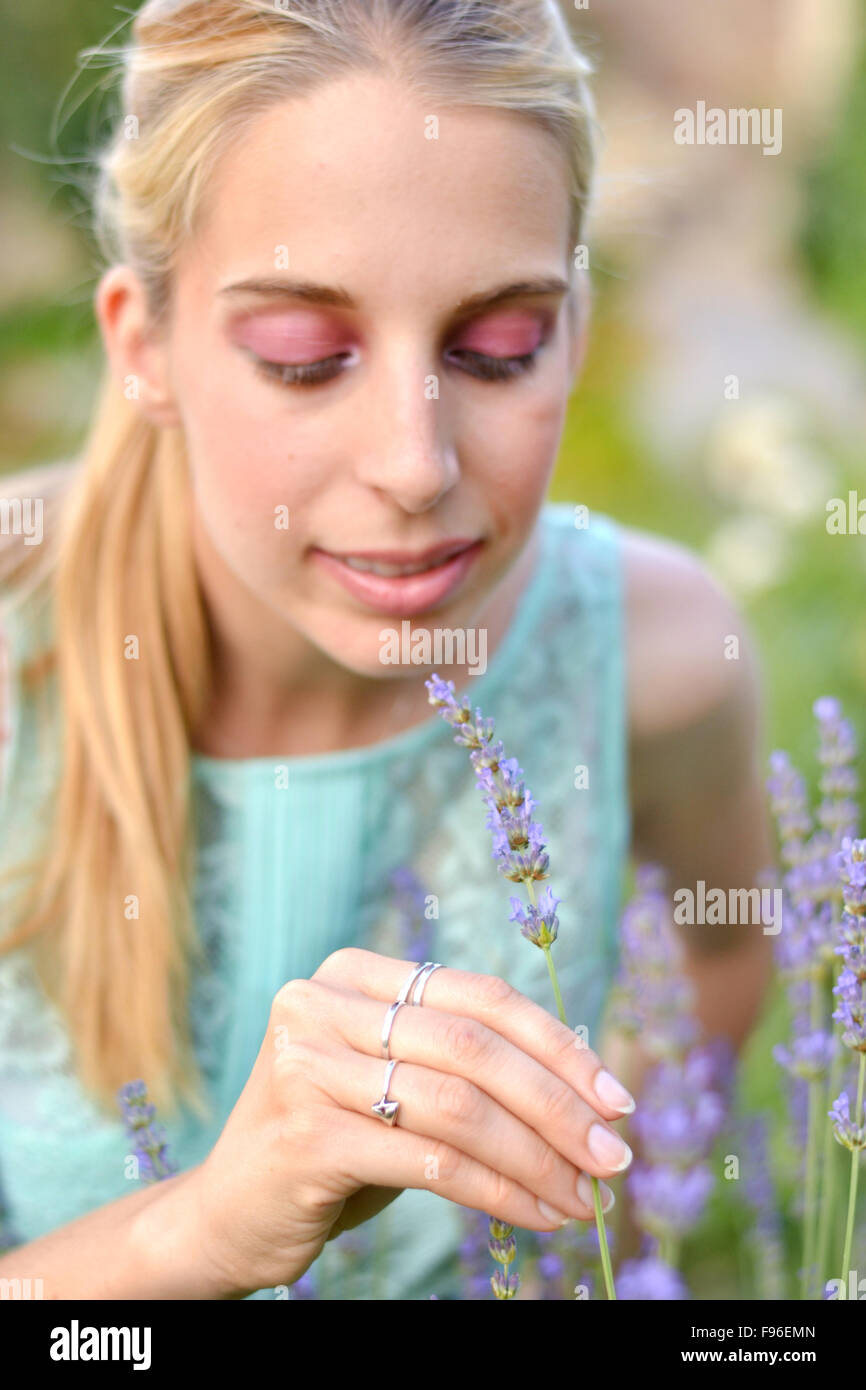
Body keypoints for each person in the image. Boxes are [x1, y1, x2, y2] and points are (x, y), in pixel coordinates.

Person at [0, 0, 773, 1300]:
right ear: (146, 345)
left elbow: (723, 939)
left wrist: (610, 1204)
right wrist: (193, 1242)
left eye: (496, 349)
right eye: (305, 358)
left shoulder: (660, 654)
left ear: (572, 332)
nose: (415, 467)